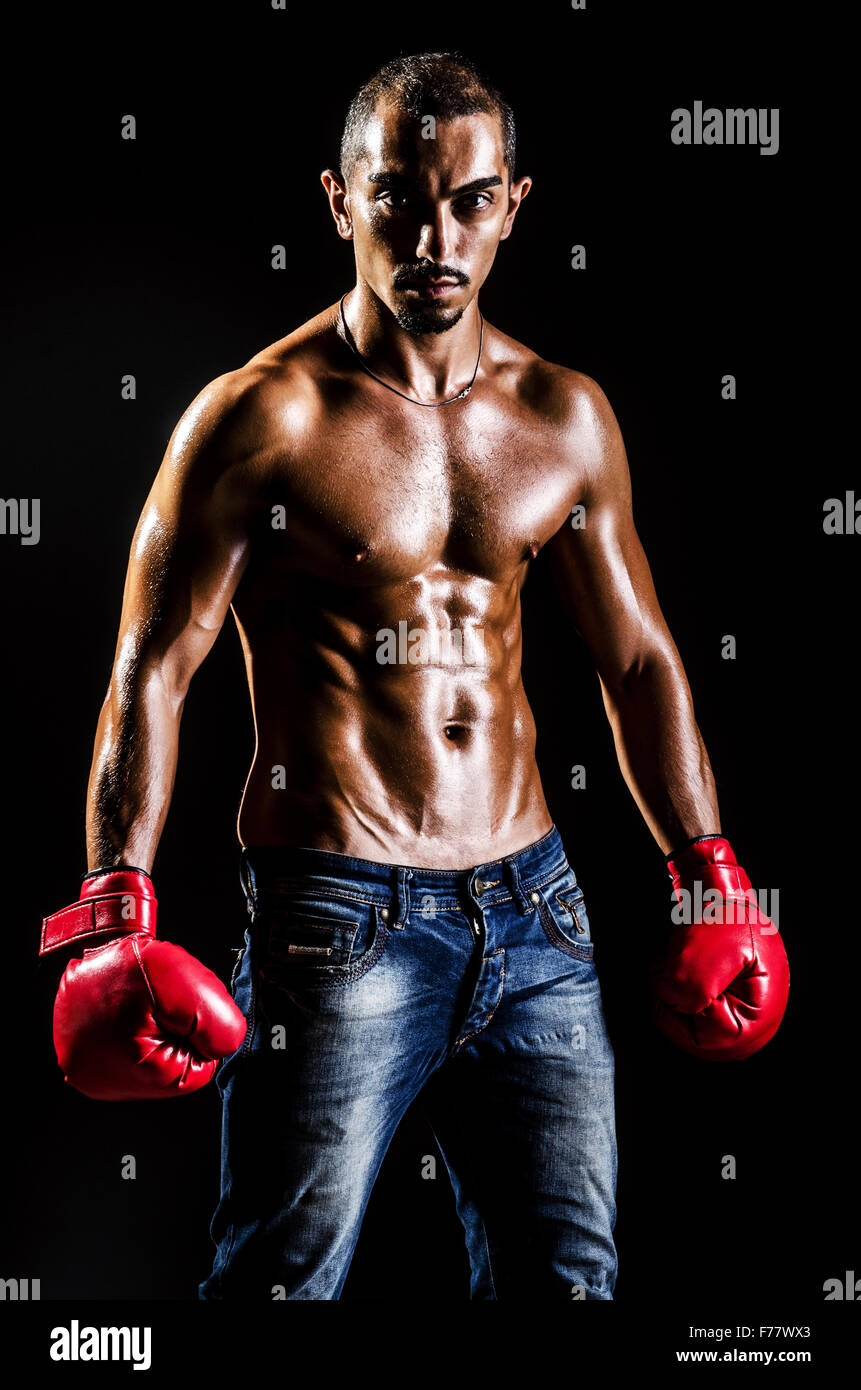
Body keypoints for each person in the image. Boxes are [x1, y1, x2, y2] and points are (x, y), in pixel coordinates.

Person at [39, 51, 789, 1301]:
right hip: (338, 921)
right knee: (282, 1285)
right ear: (341, 201)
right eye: (397, 198)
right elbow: (149, 668)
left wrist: (713, 879)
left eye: (470, 201)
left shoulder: (564, 416)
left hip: (540, 915)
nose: (435, 237)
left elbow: (645, 659)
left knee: (572, 1289)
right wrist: (114, 906)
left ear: (513, 202)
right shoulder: (260, 419)